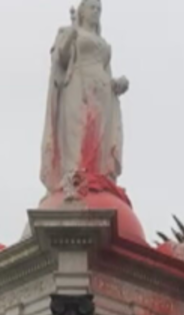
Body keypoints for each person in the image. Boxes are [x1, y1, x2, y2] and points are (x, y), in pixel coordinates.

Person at [40, 0, 129, 199]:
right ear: (82, 11)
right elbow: (61, 59)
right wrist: (71, 33)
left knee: (99, 141)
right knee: (77, 134)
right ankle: (73, 182)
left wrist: (118, 83)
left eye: (99, 9)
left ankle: (97, 183)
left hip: (103, 94)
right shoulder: (69, 32)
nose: (96, 12)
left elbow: (107, 71)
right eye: (92, 8)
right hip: (77, 87)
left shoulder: (102, 42)